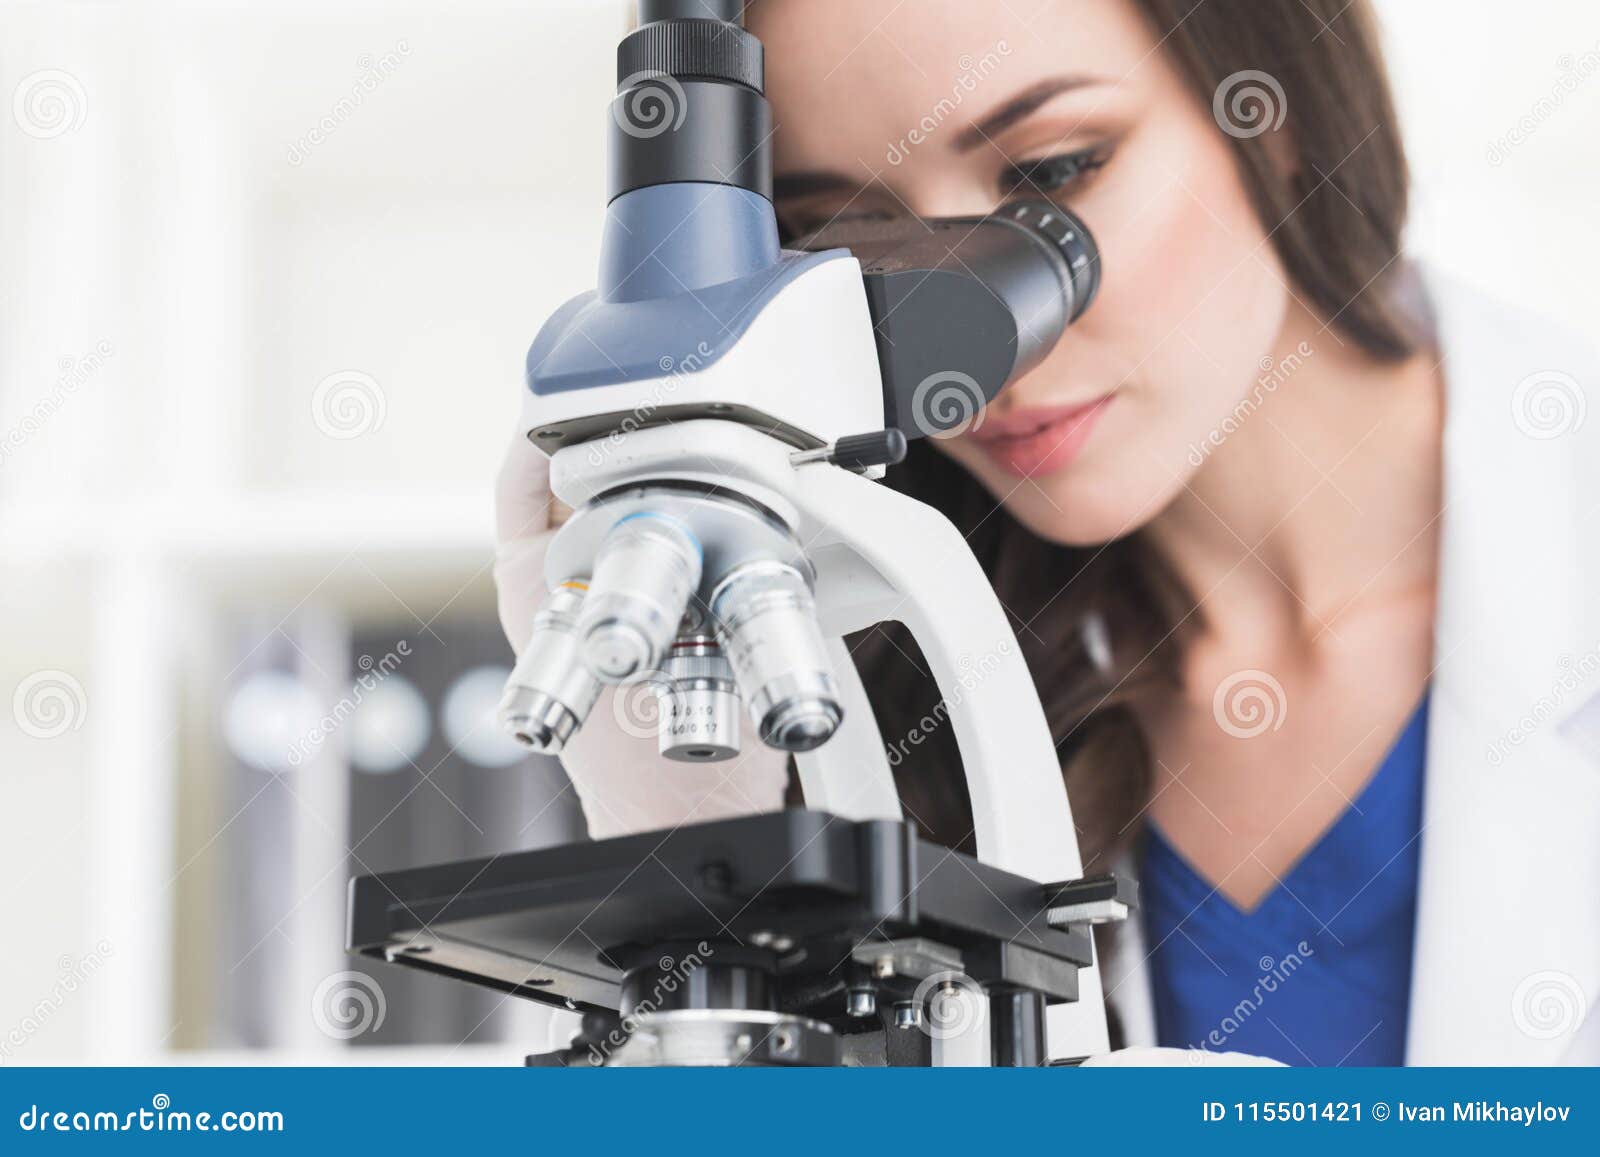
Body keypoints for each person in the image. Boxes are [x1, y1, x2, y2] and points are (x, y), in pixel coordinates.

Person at [496, 0, 1600, 1065]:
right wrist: (685, 859)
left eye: (1053, 174)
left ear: (1277, 111)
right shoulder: (894, 661)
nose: (983, 346)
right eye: (846, 234)